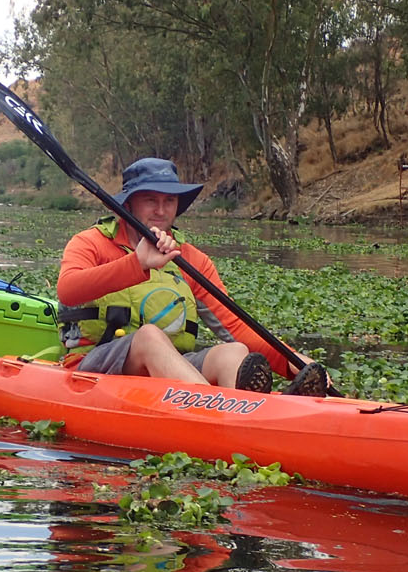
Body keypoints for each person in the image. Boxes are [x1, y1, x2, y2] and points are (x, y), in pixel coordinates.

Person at [57, 157, 328, 396]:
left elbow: (236, 328)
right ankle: (213, 411)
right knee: (149, 336)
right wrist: (136, 263)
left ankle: (243, 419)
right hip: (96, 366)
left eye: (169, 201)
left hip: (172, 370)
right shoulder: (90, 242)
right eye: (151, 200)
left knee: (234, 352)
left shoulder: (191, 259)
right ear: (128, 204)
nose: (161, 211)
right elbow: (68, 290)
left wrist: (294, 361)